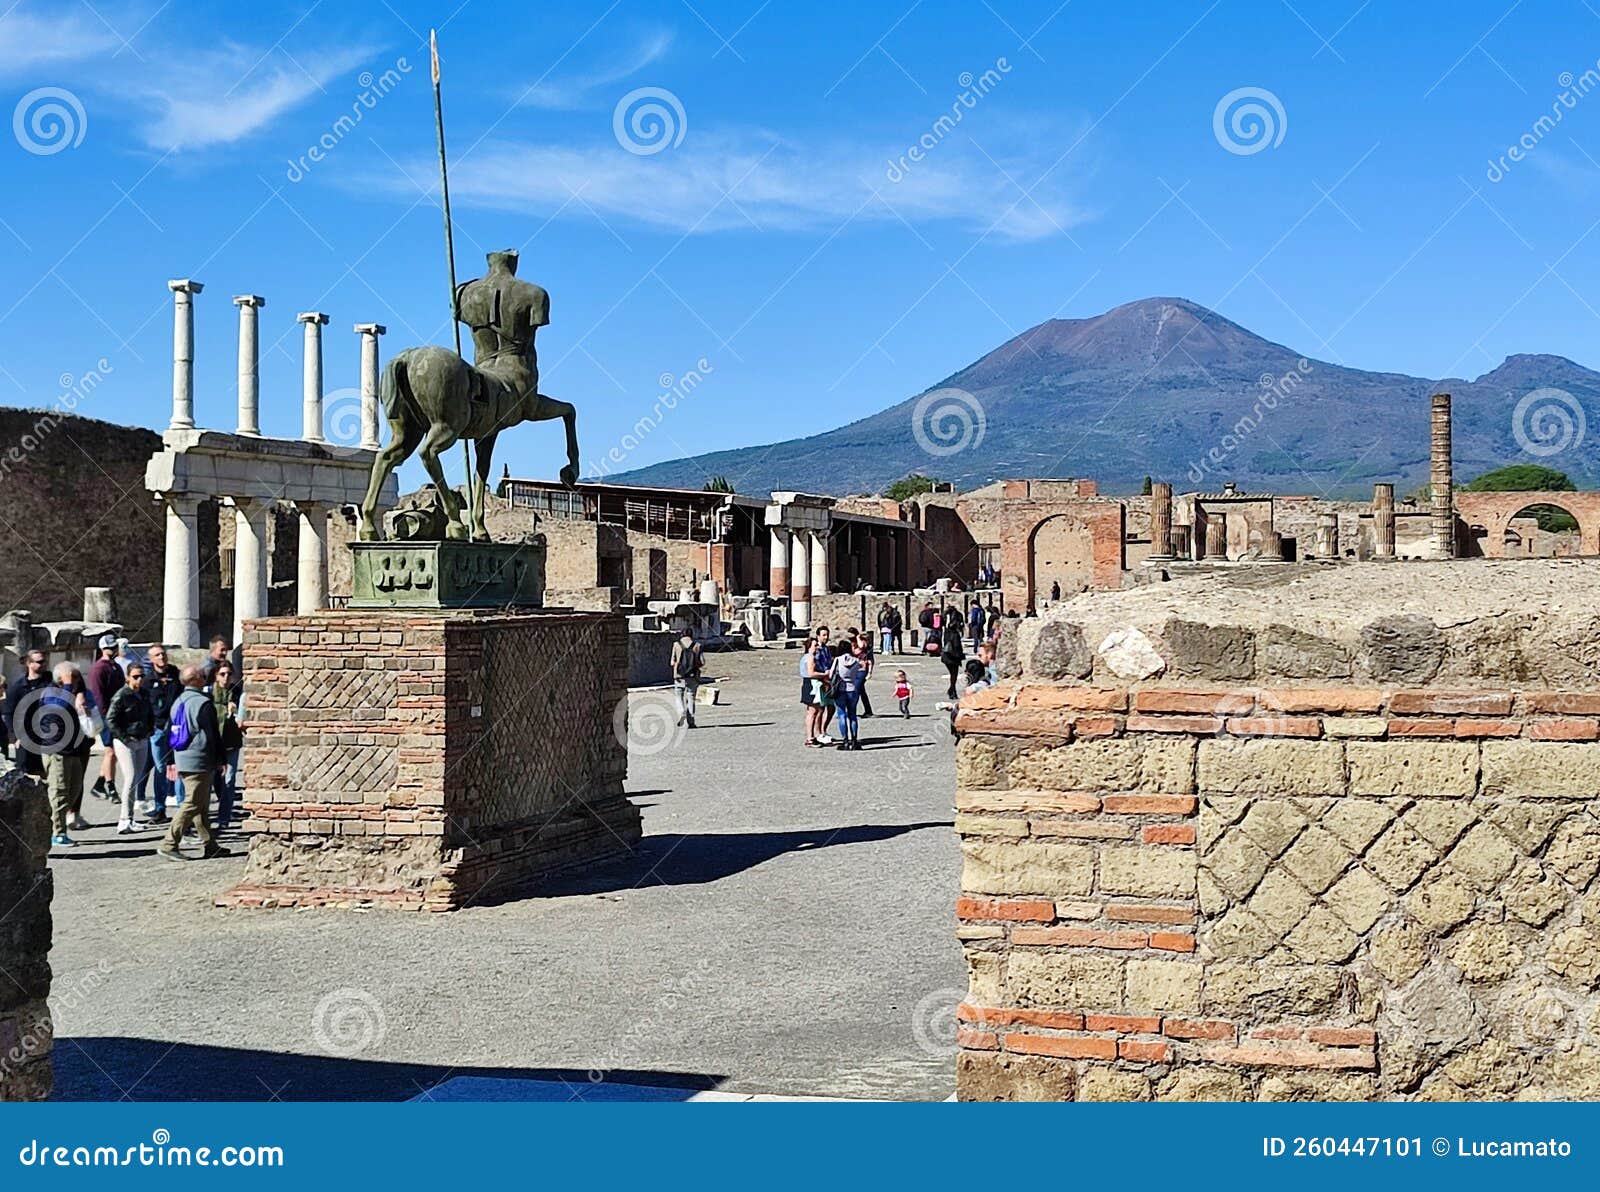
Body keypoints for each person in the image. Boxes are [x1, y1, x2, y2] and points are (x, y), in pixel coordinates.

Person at [159, 664, 230, 862]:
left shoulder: (178, 701)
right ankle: (169, 843)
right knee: (192, 803)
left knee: (201, 804)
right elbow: (212, 734)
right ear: (197, 680)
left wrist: (171, 760)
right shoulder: (203, 703)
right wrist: (220, 758)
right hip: (199, 758)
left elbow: (169, 732)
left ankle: (210, 845)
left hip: (182, 756)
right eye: (201, 675)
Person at [41, 663, 92, 848]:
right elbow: (59, 710)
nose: (77, 681)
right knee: (59, 792)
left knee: (74, 789)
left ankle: (54, 823)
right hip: (56, 751)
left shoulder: (72, 694)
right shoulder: (50, 692)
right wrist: (69, 685)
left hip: (73, 750)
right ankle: (58, 833)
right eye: (73, 677)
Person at [105, 662, 155, 835]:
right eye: (135, 676)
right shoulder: (121, 695)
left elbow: (149, 714)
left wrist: (150, 729)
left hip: (142, 738)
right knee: (130, 777)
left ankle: (131, 818)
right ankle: (124, 819)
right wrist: (124, 737)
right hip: (126, 741)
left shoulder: (144, 694)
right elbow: (111, 719)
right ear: (128, 677)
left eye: (142, 676)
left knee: (138, 777)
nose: (139, 679)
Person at [142, 645, 182, 823]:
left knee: (178, 766)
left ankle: (183, 808)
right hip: (157, 728)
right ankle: (160, 807)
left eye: (163, 654)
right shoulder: (148, 679)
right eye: (157, 655)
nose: (161, 657)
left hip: (176, 727)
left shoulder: (175, 674)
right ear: (151, 659)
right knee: (160, 768)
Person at [86, 633, 125, 801]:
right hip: (107, 715)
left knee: (113, 752)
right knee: (110, 751)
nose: (112, 650)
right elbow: (98, 695)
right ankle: (110, 786)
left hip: (117, 713)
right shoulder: (98, 669)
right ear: (103, 649)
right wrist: (106, 716)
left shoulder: (115, 667)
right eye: (109, 647)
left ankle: (100, 783)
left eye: (114, 647)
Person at [5, 649, 51, 777]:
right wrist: (15, 736)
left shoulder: (50, 682)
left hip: (47, 736)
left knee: (47, 773)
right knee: (25, 775)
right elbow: (8, 713)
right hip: (26, 737)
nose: (43, 664)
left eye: (44, 661)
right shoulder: (18, 687)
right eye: (39, 662)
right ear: (29, 664)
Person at [210, 660, 245, 829]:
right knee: (214, 779)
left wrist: (237, 711)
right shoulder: (210, 692)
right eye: (222, 674)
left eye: (229, 674)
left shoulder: (237, 691)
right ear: (216, 676)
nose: (226, 677)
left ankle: (224, 818)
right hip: (215, 743)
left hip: (232, 741)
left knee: (229, 780)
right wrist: (224, 709)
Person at [828, 644, 866, 751]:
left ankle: (845, 741)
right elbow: (862, 668)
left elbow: (831, 675)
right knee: (852, 715)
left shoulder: (837, 660)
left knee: (841, 715)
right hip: (853, 689)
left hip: (840, 689)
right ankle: (854, 741)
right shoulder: (855, 660)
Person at [669, 630, 703, 729]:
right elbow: (702, 662)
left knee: (678, 696)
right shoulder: (697, 645)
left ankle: (681, 712)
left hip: (679, 675)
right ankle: (691, 721)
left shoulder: (676, 645)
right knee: (691, 697)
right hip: (692, 675)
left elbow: (672, 662)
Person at [941, 616, 966, 701]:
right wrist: (961, 656)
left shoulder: (946, 633)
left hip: (946, 656)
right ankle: (952, 690)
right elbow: (956, 646)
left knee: (952, 674)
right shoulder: (955, 635)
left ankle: (952, 690)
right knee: (954, 675)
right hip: (953, 657)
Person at [853, 631, 875, 718]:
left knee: (856, 690)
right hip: (856, 671)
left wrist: (869, 672)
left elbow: (871, 661)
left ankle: (852, 709)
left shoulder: (865, 647)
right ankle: (868, 710)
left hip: (862, 671)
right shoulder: (856, 646)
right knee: (861, 691)